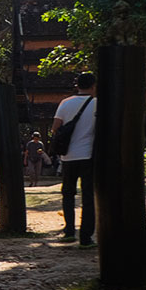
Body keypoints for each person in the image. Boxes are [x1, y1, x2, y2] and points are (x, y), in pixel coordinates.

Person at [51, 72, 97, 247]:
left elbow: (55, 128)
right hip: (88, 156)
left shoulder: (65, 103)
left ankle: (69, 231)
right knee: (88, 196)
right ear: (93, 85)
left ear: (77, 85)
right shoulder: (97, 104)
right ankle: (86, 237)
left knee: (68, 195)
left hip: (68, 156)